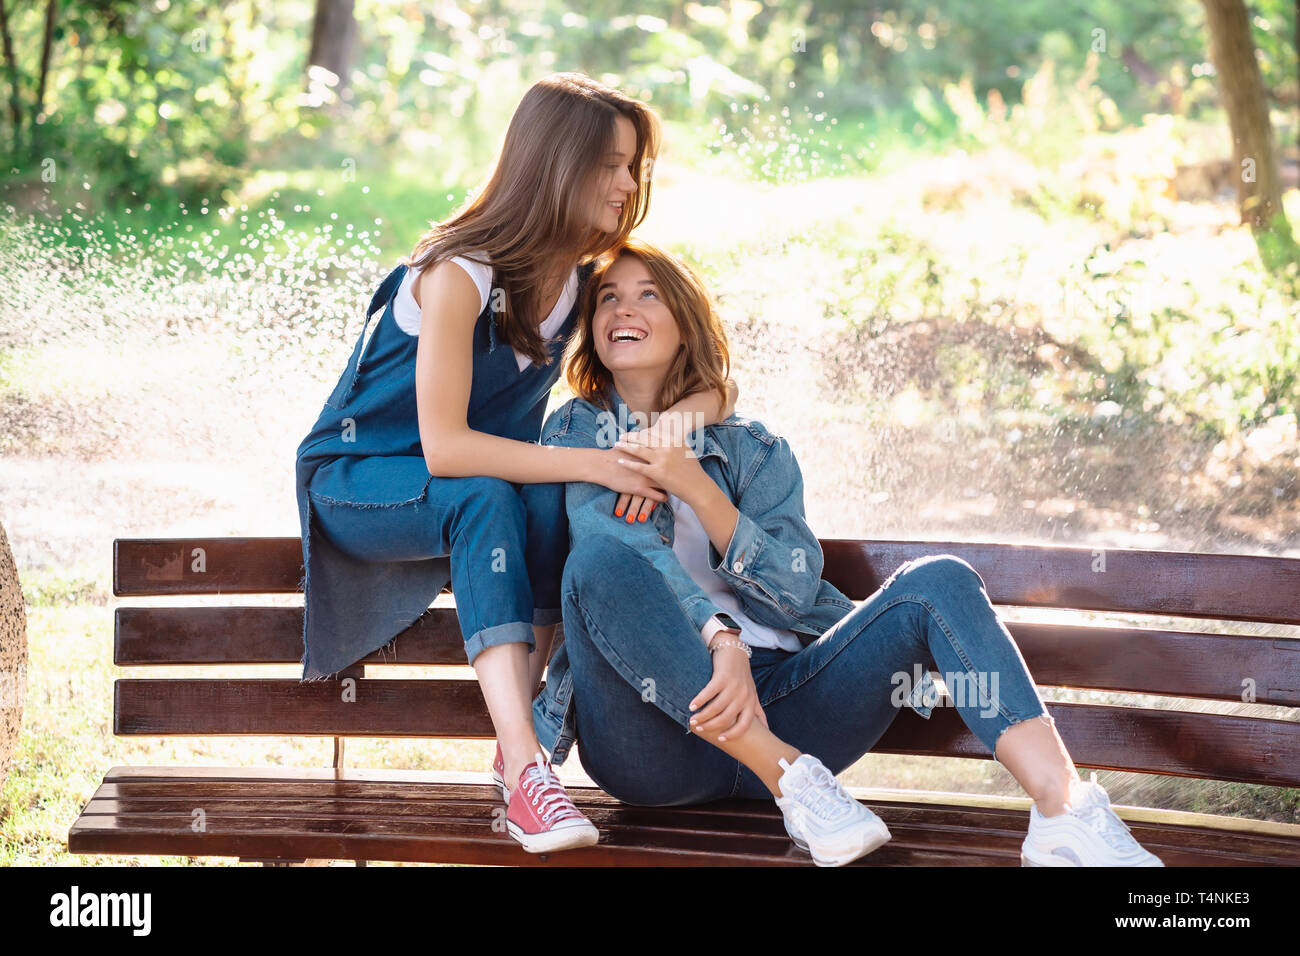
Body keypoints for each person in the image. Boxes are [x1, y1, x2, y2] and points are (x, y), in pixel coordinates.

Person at [532, 237, 1164, 867]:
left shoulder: (756, 449)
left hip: (789, 709)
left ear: (686, 325)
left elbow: (794, 588)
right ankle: (795, 783)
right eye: (608, 298)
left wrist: (695, 487)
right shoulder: (578, 430)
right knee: (600, 563)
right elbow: (623, 552)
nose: (623, 309)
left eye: (648, 295)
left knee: (938, 582)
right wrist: (721, 640)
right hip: (652, 742)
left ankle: (1064, 813)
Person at [293, 75, 738, 854]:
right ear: (555, 164)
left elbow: (715, 385)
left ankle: (516, 754)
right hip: (359, 482)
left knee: (529, 492)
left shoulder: (581, 282)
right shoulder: (459, 273)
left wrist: (653, 447)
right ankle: (530, 770)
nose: (628, 185)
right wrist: (602, 467)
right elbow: (445, 449)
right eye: (610, 164)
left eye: (633, 165)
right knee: (492, 491)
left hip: (473, 486)